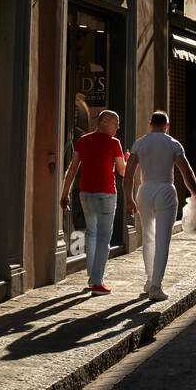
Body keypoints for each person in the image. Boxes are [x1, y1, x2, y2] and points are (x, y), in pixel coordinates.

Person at [123, 110, 196, 302]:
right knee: (162, 240)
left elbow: (129, 173)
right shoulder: (173, 144)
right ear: (167, 126)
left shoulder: (140, 143)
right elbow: (186, 172)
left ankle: (150, 280)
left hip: (145, 191)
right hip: (165, 190)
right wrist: (194, 193)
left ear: (150, 124)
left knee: (148, 238)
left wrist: (128, 198)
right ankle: (156, 286)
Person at [60, 107, 126, 294]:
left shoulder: (82, 141)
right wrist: (127, 161)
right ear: (103, 122)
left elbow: (72, 169)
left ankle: (92, 276)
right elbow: (122, 171)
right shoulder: (114, 143)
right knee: (104, 237)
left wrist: (65, 194)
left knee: (92, 233)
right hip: (106, 194)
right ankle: (97, 282)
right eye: (115, 123)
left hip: (85, 194)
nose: (118, 127)